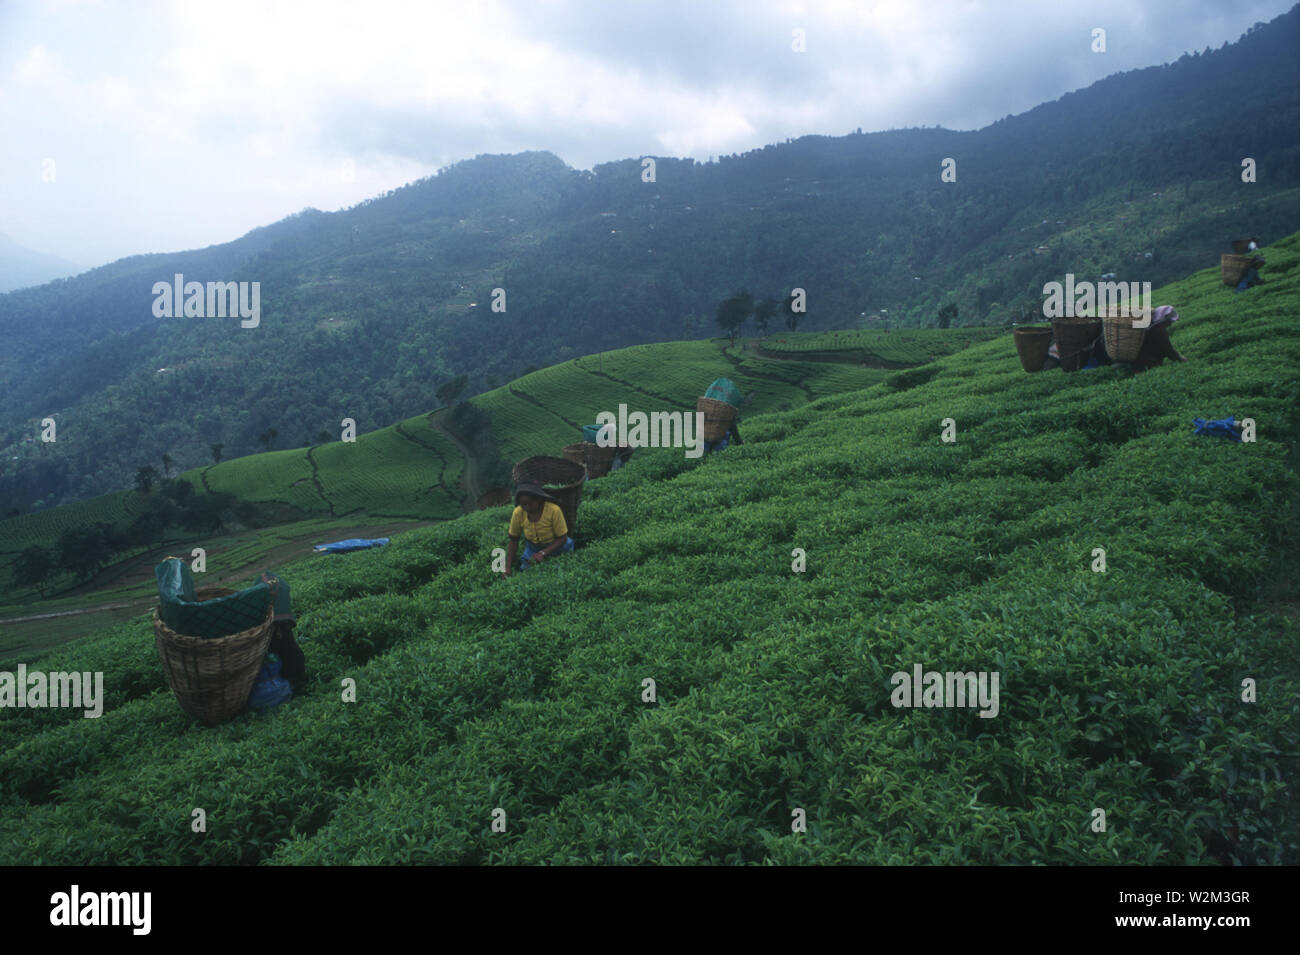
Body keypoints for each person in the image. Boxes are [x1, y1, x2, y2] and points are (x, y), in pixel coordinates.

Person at [502, 482, 574, 577]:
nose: (527, 507)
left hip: (557, 546)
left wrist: (543, 553)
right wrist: (507, 568)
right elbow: (513, 540)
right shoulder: (518, 513)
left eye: (530, 503)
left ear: (539, 499)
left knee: (562, 570)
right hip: (533, 549)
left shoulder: (554, 510)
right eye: (523, 504)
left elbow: (562, 538)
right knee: (526, 572)